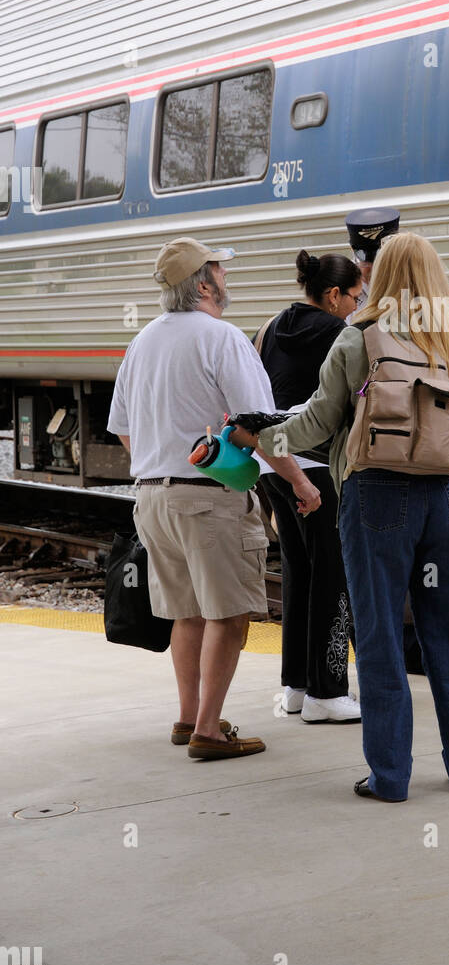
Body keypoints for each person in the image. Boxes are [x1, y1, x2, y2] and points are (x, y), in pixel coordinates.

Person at [227, 232, 449, 801]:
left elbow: (317, 424)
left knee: (378, 637)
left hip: (376, 500)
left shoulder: (359, 337)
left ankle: (390, 777)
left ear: (378, 274)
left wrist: (262, 433)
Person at [107, 236, 321, 762]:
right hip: (209, 499)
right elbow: (261, 428)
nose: (227, 279)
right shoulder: (222, 339)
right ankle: (209, 731)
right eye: (221, 272)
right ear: (203, 284)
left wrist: (165, 460)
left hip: (152, 498)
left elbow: (122, 429)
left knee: (187, 614)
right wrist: (300, 482)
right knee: (227, 616)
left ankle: (188, 717)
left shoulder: (143, 342)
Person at [257, 249, 363, 723]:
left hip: (273, 465)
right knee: (333, 573)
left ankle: (296, 686)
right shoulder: (342, 335)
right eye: (355, 297)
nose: (358, 306)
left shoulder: (270, 328)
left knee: (299, 572)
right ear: (334, 295)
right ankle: (328, 690)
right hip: (317, 467)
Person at [344, 207, 400, 314]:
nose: (375, 269)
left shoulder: (412, 278)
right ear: (352, 250)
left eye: (382, 262)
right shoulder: (345, 289)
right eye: (367, 263)